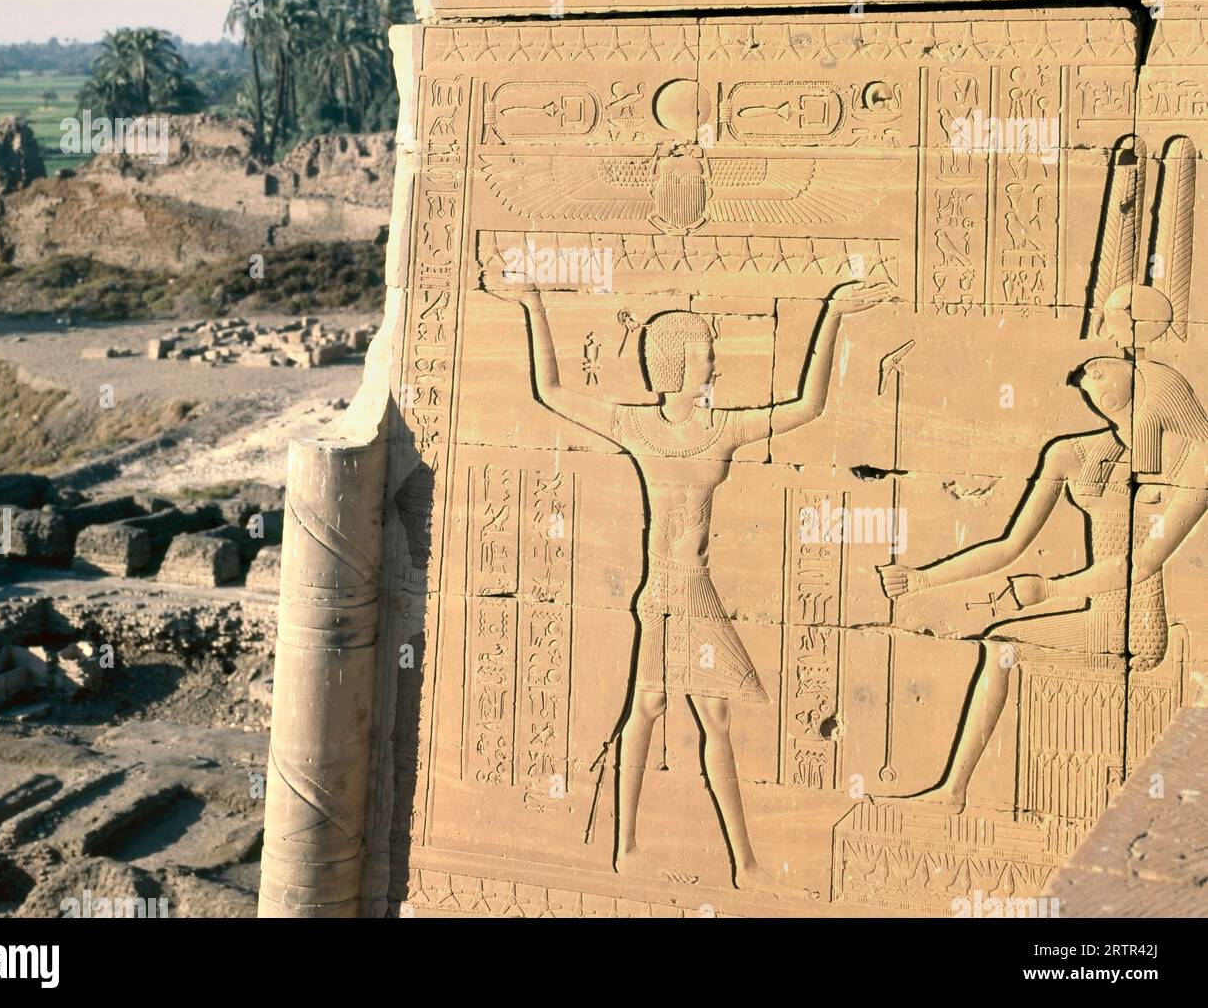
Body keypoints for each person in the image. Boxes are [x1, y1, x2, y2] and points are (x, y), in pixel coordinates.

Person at [487, 273, 887, 887]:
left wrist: (835, 314)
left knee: (715, 719)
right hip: (664, 596)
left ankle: (745, 861)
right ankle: (627, 850)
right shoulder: (636, 427)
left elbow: (809, 408)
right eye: (705, 354)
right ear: (673, 365)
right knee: (647, 707)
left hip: (698, 591)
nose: (714, 365)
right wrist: (534, 305)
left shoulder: (723, 428)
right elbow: (551, 390)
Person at [879, 357, 1208, 813]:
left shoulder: (1196, 462)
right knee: (999, 642)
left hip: (1134, 628)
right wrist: (923, 579)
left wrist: (1051, 590)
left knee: (1002, 645)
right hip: (1093, 611)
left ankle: (953, 793)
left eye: (1105, 371)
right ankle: (953, 792)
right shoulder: (1070, 454)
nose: (1092, 378)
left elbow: (1139, 566)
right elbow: (1011, 544)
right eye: (1091, 375)